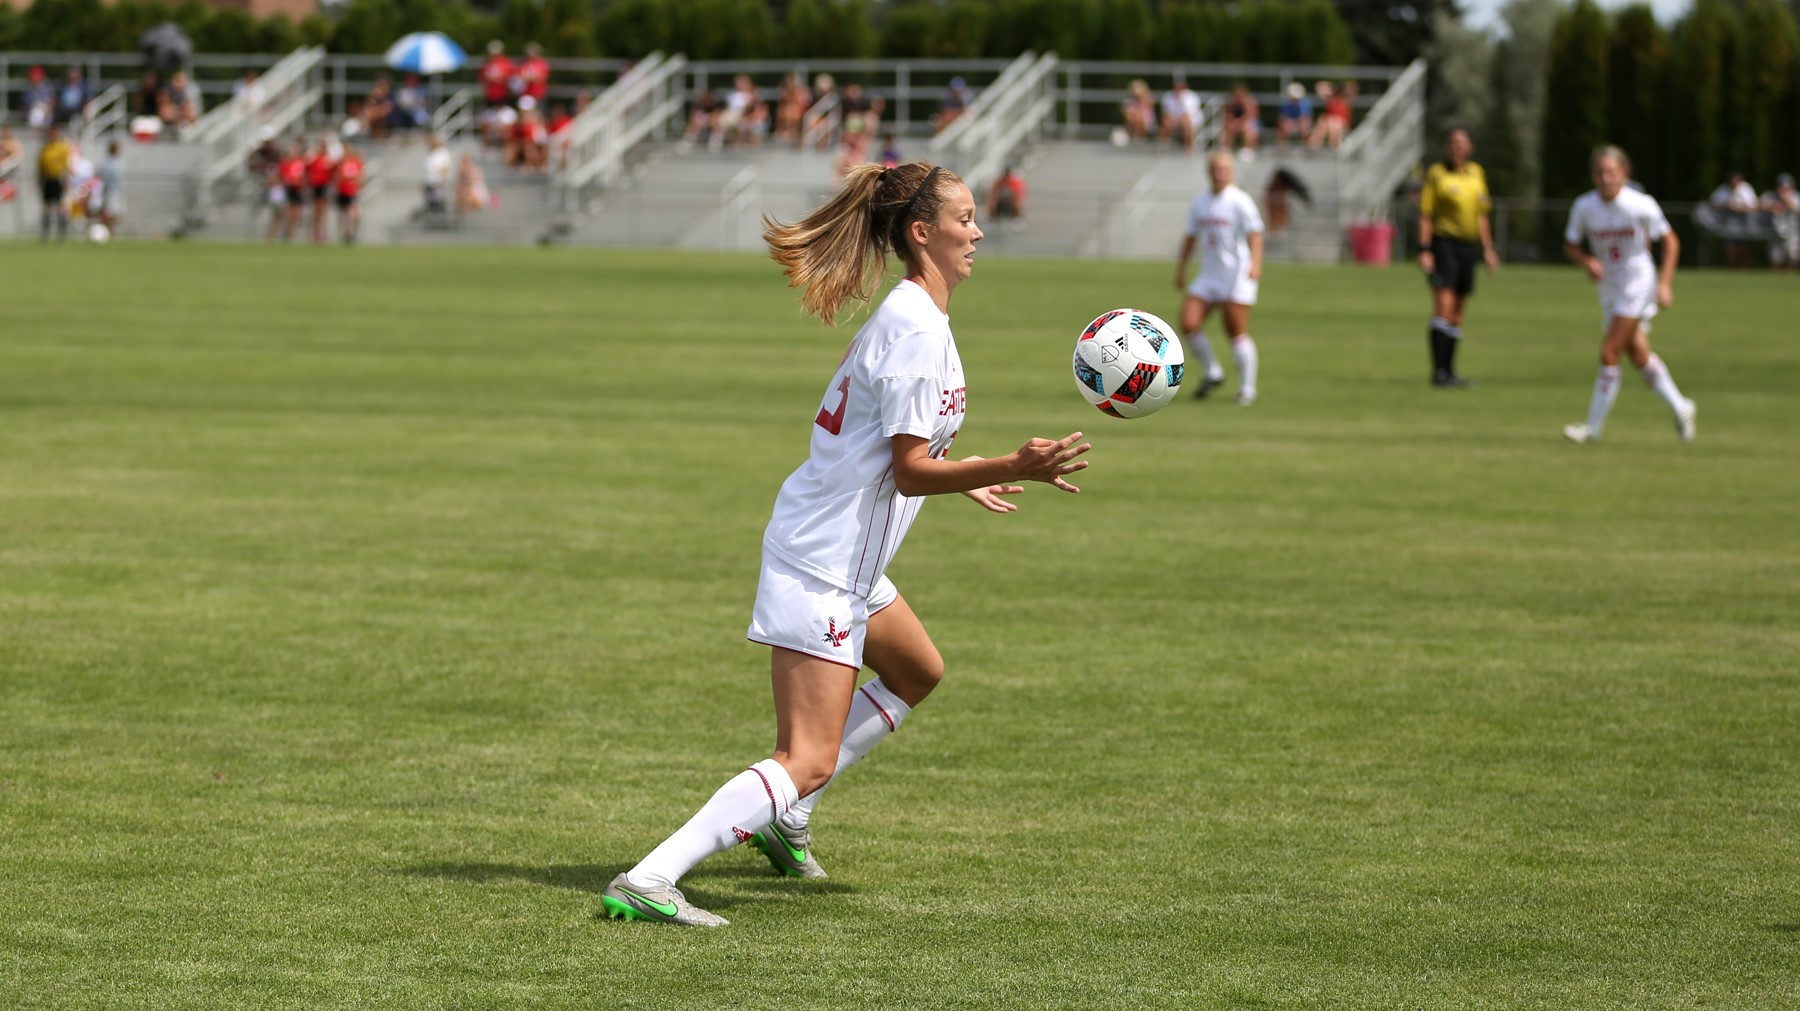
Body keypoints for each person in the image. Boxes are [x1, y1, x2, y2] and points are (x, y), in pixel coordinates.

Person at [600, 161, 1092, 928]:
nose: (979, 231)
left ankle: (784, 818)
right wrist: (1009, 464)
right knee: (807, 756)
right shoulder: (914, 326)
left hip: (845, 554)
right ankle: (652, 874)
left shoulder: (918, 317)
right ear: (921, 232)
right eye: (965, 218)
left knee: (917, 670)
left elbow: (893, 452)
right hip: (825, 560)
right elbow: (906, 468)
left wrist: (964, 477)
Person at [1561, 146, 1695, 445]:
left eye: (1612, 172)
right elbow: (1570, 244)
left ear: (1624, 173)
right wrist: (1586, 261)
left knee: (1610, 351)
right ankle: (1681, 406)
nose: (1606, 178)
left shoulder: (1640, 204)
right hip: (1609, 287)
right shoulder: (1585, 206)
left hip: (1638, 282)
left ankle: (1592, 429)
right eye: (1600, 172)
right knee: (1638, 355)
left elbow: (1671, 241)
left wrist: (1665, 283)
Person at [1175, 151, 1265, 405]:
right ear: (1209, 172)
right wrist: (1181, 269)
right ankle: (1213, 371)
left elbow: (1255, 234)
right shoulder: (1200, 202)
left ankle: (1247, 389)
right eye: (1216, 169)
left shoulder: (1240, 201)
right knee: (1188, 322)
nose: (1220, 174)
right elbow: (1190, 237)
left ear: (1231, 172)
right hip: (1209, 275)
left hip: (1236, 275)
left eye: (1225, 169)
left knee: (1235, 331)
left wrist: (1256, 264)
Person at [1417, 128, 1499, 388]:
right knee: (1444, 305)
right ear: (1446, 147)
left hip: (1468, 247)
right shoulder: (1437, 174)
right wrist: (1424, 248)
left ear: (1470, 147)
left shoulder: (1476, 173)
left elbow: (1482, 214)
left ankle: (1450, 372)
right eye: (1453, 143)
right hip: (1444, 245)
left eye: (1462, 143)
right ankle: (1438, 372)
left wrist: (1487, 248)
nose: (1457, 148)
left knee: (1458, 312)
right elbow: (1426, 214)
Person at [37, 124, 72, 242]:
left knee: (60, 208)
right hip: (48, 180)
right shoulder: (45, 149)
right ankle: (45, 234)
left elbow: (66, 166)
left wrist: (66, 181)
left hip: (58, 180)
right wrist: (39, 180)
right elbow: (40, 167)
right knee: (47, 208)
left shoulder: (62, 148)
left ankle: (61, 234)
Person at [306, 135, 339, 244]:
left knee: (323, 210)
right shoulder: (315, 157)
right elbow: (307, 167)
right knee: (316, 210)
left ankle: (322, 232)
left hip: (324, 186)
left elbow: (334, 171)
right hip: (316, 186)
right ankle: (315, 232)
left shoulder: (328, 159)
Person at [1761, 173, 1799, 268]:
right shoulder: (1771, 195)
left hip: (1792, 231)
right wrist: (1772, 206)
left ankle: (1788, 279)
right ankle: (1774, 279)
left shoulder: (1796, 196)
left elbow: (1795, 209)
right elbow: (1760, 204)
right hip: (1774, 231)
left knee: (1792, 256)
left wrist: (1786, 200)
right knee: (1776, 257)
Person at [333, 144, 365, 244]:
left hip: (353, 192)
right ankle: (346, 233)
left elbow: (361, 177)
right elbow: (337, 177)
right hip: (343, 191)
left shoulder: (356, 162)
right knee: (345, 214)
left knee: (355, 213)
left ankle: (352, 233)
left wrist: (357, 185)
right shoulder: (340, 163)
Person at [92, 139, 125, 235]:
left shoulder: (116, 162)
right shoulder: (108, 163)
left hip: (115, 191)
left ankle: (110, 231)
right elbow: (99, 175)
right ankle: (107, 231)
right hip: (110, 191)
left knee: (115, 213)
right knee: (109, 213)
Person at [1218, 83, 1259, 158]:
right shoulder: (1230, 103)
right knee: (1227, 128)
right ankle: (1226, 149)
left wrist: (1238, 123)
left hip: (1247, 123)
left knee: (1248, 128)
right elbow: (1227, 115)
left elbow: (1250, 116)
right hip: (1236, 123)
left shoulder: (1250, 102)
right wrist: (1233, 123)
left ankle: (1248, 150)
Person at [1159, 78, 1201, 151]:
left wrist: (1181, 100)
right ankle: (1162, 149)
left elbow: (1189, 116)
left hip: (1190, 122)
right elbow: (1165, 115)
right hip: (1174, 121)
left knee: (1187, 124)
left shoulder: (1192, 97)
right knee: (1165, 125)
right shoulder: (1168, 96)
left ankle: (1188, 150)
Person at [1308, 81, 1351, 150]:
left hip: (1340, 123)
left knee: (1332, 124)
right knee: (1323, 122)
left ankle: (1334, 148)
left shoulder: (1342, 99)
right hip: (1331, 123)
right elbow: (1320, 89)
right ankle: (1312, 147)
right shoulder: (1330, 100)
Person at [773, 73, 811, 145]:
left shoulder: (802, 92)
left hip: (801, 112)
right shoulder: (786, 94)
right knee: (784, 110)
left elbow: (804, 104)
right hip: (793, 110)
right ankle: (783, 130)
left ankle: (792, 131)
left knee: (792, 110)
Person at [422, 134, 452, 218]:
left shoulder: (443, 152)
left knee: (438, 201)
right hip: (430, 182)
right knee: (431, 201)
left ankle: (439, 218)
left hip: (438, 182)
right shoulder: (431, 153)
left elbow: (445, 168)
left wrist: (441, 180)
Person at [1120, 79, 1157, 145]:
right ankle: (1137, 136)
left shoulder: (1148, 100)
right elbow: (1127, 115)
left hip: (1146, 123)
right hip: (1133, 123)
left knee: (1139, 117)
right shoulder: (1129, 101)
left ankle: (1138, 136)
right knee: (1134, 116)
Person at [481, 41, 515, 110]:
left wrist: (496, 79)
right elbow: (481, 76)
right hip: (490, 94)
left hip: (503, 94)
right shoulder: (487, 62)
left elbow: (510, 77)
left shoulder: (506, 62)